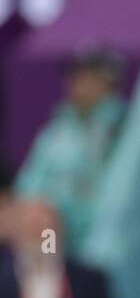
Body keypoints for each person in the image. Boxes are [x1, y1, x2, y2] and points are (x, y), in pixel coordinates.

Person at [15, 48, 126, 260]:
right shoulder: (57, 129)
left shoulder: (122, 129)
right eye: (73, 75)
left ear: (105, 81)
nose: (72, 83)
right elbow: (28, 186)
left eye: (82, 75)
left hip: (99, 249)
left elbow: (112, 196)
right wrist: (41, 212)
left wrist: (64, 215)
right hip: (52, 241)